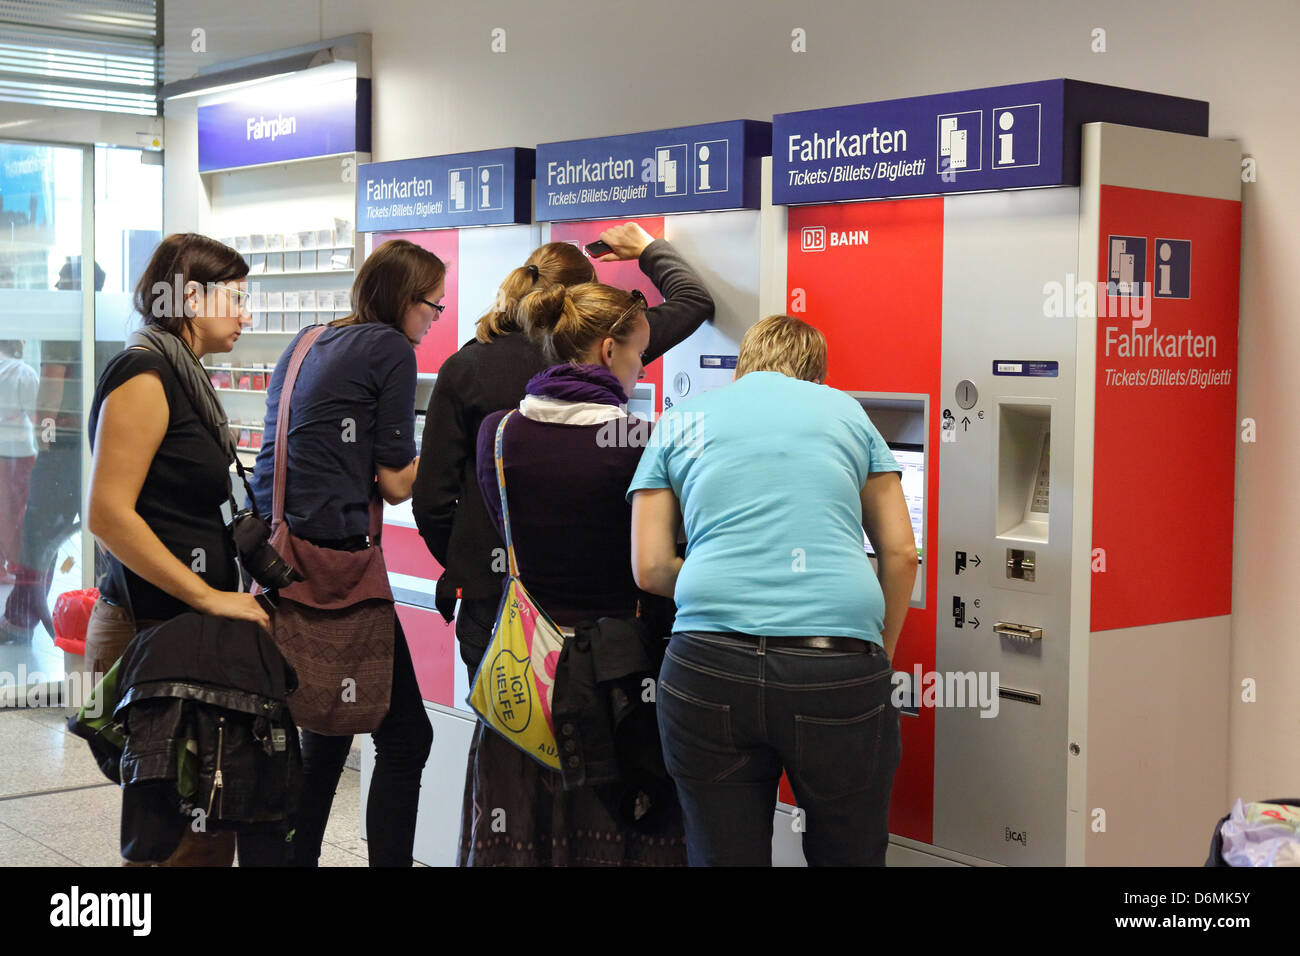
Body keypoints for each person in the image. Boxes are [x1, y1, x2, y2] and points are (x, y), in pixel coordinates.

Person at [628, 314, 918, 866]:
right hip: (835, 669)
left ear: (743, 366)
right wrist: (879, 651)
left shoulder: (681, 418)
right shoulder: (847, 413)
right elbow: (902, 555)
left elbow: (649, 567)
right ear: (819, 374)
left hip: (706, 668)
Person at [462, 252, 712, 866]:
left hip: (527, 674)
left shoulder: (497, 433)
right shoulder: (645, 441)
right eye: (638, 354)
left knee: (526, 837)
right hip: (619, 681)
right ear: (607, 351)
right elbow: (660, 560)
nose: (637, 367)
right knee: (620, 839)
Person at [412, 223, 712, 682]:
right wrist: (648, 249)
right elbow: (694, 302)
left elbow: (433, 497)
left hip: (497, 608)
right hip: (605, 632)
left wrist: (474, 561)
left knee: (512, 737)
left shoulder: (466, 367)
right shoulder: (611, 363)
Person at [249, 238, 442, 867]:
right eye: (432, 309)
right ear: (404, 301)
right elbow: (393, 480)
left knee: (326, 730)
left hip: (280, 561)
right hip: (340, 573)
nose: (431, 322)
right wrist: (445, 451)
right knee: (408, 735)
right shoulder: (391, 347)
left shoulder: (306, 338)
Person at [85, 233, 275, 865]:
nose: (247, 315)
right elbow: (107, 514)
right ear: (192, 298)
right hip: (153, 630)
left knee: (205, 829)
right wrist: (209, 596)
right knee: (180, 842)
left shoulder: (184, 373)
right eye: (239, 298)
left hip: (184, 629)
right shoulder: (145, 372)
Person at [0, 340, 38, 586]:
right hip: (20, 449)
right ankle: (15, 561)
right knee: (18, 509)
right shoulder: (23, 372)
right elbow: (37, 413)